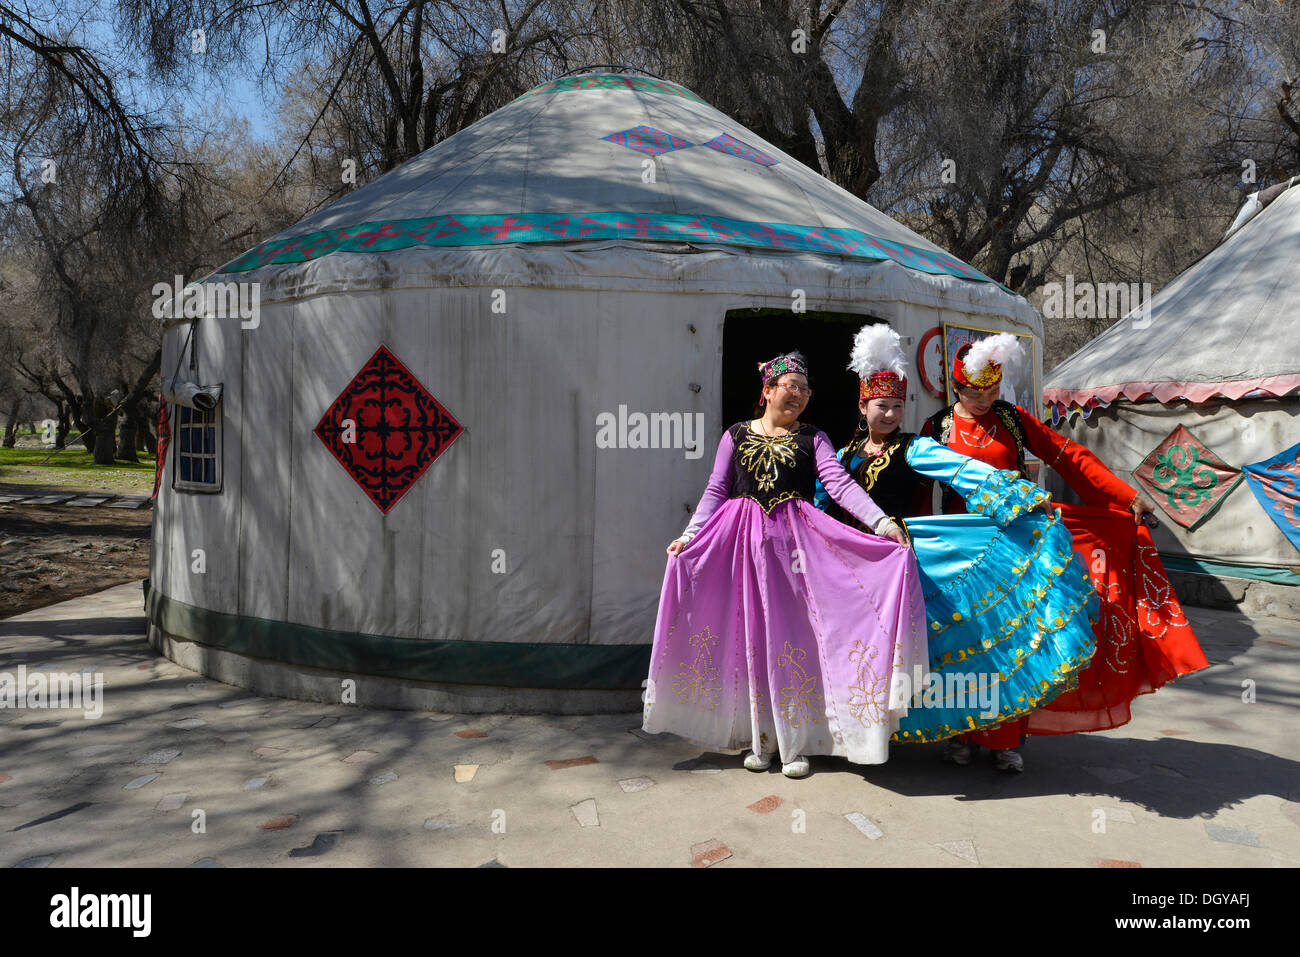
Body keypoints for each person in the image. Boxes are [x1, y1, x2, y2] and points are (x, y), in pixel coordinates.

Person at [815, 325, 1099, 763]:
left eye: (896, 406)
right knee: (862, 649)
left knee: (968, 643)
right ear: (862, 405)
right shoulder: (845, 451)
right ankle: (857, 729)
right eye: (880, 406)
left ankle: (983, 737)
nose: (889, 415)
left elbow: (965, 472)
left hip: (918, 557)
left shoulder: (915, 446)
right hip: (853, 566)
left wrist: (1019, 496)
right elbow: (823, 496)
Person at [923, 334, 1208, 769]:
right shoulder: (937, 428)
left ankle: (1005, 742)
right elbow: (922, 489)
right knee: (967, 642)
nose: (984, 400)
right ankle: (960, 734)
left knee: (1016, 642)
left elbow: (1067, 456)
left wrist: (1125, 497)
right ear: (956, 388)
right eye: (974, 393)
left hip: (1017, 544)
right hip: (963, 548)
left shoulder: (1013, 420)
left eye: (992, 391)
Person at [642, 352, 926, 778]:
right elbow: (716, 489)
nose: (798, 395)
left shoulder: (814, 438)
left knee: (792, 640)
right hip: (739, 549)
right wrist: (688, 536)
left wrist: (882, 523)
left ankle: (796, 743)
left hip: (795, 553)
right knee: (750, 640)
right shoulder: (735, 435)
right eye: (790, 386)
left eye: (804, 390)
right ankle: (760, 740)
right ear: (768, 390)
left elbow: (840, 484)